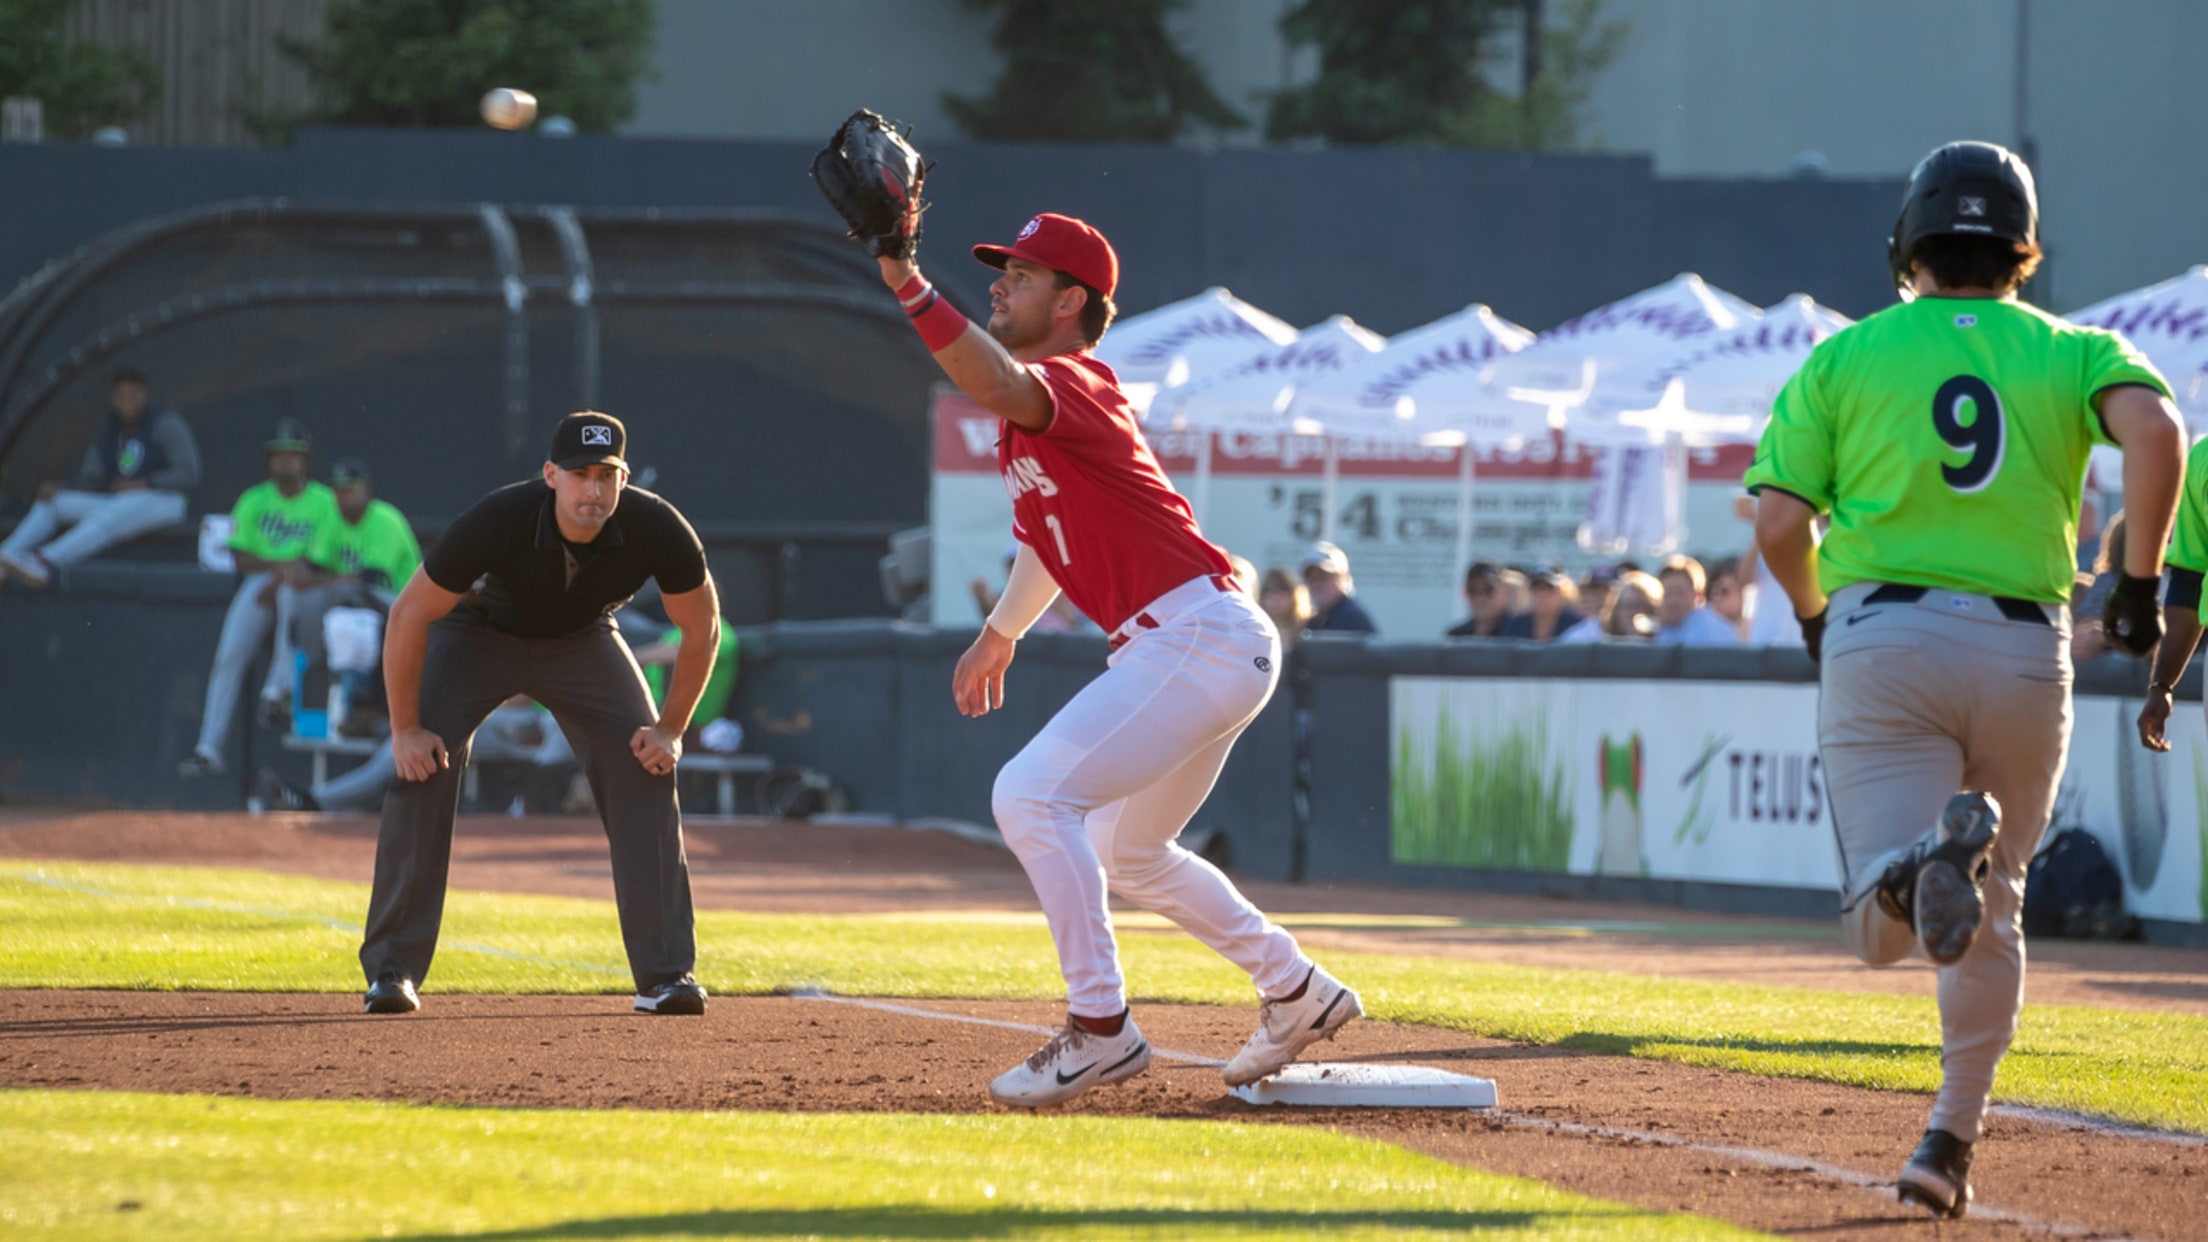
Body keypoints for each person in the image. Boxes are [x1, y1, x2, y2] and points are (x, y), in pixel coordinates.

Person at [1748, 140, 2182, 1220]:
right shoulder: (2072, 349)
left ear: (1910, 242)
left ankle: (1911, 873)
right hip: (2026, 648)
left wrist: (1812, 615)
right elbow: (2161, 431)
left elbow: (1779, 522)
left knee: (1877, 930)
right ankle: (1949, 1140)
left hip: (1884, 635)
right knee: (2000, 907)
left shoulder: (1845, 357)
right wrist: (2135, 587)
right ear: (2022, 251)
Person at [875, 208, 1361, 1106]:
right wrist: (1001, 632)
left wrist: (909, 280)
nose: (998, 284)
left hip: (1193, 637)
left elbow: (998, 382)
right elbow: (1045, 547)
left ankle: (1100, 1027)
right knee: (1130, 850)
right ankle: (1296, 988)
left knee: (1029, 795)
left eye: (1019, 276)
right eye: (1000, 272)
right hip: (1200, 643)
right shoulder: (1035, 417)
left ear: (1071, 301)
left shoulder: (1077, 384)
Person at [356, 411, 723, 1019]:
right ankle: (392, 972)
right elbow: (408, 614)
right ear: (550, 475)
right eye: (580, 474)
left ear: (624, 479)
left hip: (583, 640)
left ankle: (665, 976)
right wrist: (404, 730)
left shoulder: (657, 526)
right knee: (424, 767)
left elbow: (702, 625)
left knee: (647, 764)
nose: (594, 490)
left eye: (607, 476)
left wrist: (671, 730)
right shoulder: (500, 517)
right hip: (478, 634)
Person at [177, 421, 341, 779]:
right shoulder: (253, 498)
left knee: (289, 593)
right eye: (278, 456)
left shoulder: (325, 501)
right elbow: (239, 556)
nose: (284, 463)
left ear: (306, 460)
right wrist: (278, 568)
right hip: (260, 579)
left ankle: (276, 689)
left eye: (292, 456)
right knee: (229, 655)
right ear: (269, 460)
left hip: (307, 583)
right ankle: (208, 749)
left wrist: (285, 573)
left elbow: (318, 561)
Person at [0, 370, 200, 588]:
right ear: (113, 399)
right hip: (117, 503)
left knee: (111, 512)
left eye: (133, 395)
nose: (128, 403)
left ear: (145, 395)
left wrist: (144, 483)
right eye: (122, 396)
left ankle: (45, 561)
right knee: (53, 502)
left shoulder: (165, 424)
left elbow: (189, 473)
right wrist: (60, 488)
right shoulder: (109, 433)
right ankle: (6, 557)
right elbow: (91, 481)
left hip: (165, 502)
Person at [264, 458, 423, 726]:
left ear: (366, 490)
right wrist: (289, 578)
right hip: (351, 604)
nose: (343, 496)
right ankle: (292, 686)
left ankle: (363, 705)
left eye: (350, 489)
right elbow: (314, 567)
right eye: (338, 490)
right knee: (294, 594)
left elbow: (367, 578)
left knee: (344, 596)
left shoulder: (386, 519)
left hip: (401, 603)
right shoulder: (334, 520)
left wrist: (318, 581)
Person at [1653, 555, 1741, 646]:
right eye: (1667, 594)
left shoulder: (1713, 630)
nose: (1672, 601)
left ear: (1697, 594)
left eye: (1679, 593)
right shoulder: (1666, 630)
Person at [1557, 568, 1662, 643]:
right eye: (1627, 606)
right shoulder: (1584, 638)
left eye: (1639, 605)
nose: (1632, 613)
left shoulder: (1665, 640)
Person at [1300, 540, 1377, 634]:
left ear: (1342, 578)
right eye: (1312, 578)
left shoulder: (1351, 618)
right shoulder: (1316, 618)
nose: (1317, 584)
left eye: (1324, 578)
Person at [1498, 566, 1583, 641]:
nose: (1541, 594)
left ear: (1562, 592)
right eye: (1536, 588)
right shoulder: (1516, 625)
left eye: (1549, 589)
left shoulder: (1577, 626)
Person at [1444, 561, 1516, 638]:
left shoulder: (1516, 635)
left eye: (1488, 590)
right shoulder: (1456, 637)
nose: (1480, 598)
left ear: (1505, 592)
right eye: (1472, 590)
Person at [1256, 567, 1313, 650]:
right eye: (1267, 589)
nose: (1274, 596)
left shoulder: (1313, 627)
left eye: (1283, 588)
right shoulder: (1253, 631)